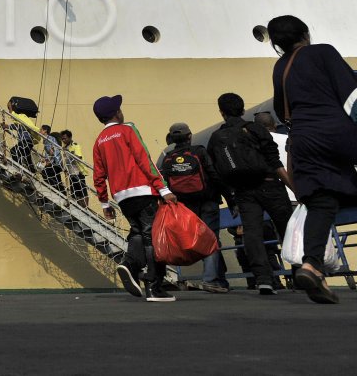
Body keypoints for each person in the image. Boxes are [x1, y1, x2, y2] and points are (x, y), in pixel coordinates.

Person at [269, 14, 357, 304]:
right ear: (305, 33)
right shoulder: (322, 52)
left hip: (304, 141)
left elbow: (282, 113)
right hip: (335, 133)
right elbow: (352, 96)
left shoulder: (280, 67)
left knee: (322, 202)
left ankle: (312, 266)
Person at [91, 94, 177, 302]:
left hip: (122, 197)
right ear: (116, 113)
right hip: (144, 191)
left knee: (138, 231)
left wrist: (104, 202)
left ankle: (130, 264)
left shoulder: (99, 141)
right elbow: (144, 159)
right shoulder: (127, 130)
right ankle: (154, 287)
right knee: (153, 237)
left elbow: (99, 175)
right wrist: (163, 189)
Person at [207, 92, 294, 296]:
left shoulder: (216, 138)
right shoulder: (255, 129)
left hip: (243, 191)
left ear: (222, 112)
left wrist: (231, 198)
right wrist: (293, 186)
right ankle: (300, 272)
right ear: (243, 109)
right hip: (270, 185)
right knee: (287, 229)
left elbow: (216, 171)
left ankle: (263, 279)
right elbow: (275, 161)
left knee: (252, 233)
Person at [157, 122, 232, 293]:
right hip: (208, 201)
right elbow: (214, 174)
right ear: (189, 136)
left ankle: (220, 278)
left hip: (184, 207)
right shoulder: (199, 151)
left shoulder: (167, 157)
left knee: (199, 240)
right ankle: (211, 279)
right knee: (211, 239)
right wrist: (230, 199)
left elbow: (164, 184)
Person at [7, 98, 38, 172]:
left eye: (9, 108)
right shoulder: (22, 121)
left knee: (14, 151)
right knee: (27, 159)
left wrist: (10, 106)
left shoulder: (22, 116)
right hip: (27, 142)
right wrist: (4, 126)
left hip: (25, 141)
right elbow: (15, 126)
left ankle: (18, 170)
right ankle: (32, 171)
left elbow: (13, 115)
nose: (9, 110)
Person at [61, 130, 90, 208]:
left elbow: (78, 157)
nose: (63, 140)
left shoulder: (75, 145)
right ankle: (80, 207)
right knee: (75, 193)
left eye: (65, 138)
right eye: (62, 139)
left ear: (70, 138)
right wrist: (65, 168)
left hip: (78, 172)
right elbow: (66, 160)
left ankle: (85, 208)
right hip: (71, 173)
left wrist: (69, 152)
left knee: (82, 192)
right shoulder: (64, 148)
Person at [40, 125, 65, 193]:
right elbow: (50, 151)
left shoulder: (48, 139)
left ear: (45, 131)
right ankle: (62, 192)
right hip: (58, 162)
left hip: (55, 162)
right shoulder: (49, 139)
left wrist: (47, 160)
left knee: (44, 172)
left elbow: (52, 151)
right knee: (56, 177)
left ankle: (53, 189)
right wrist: (45, 159)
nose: (39, 131)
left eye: (41, 130)